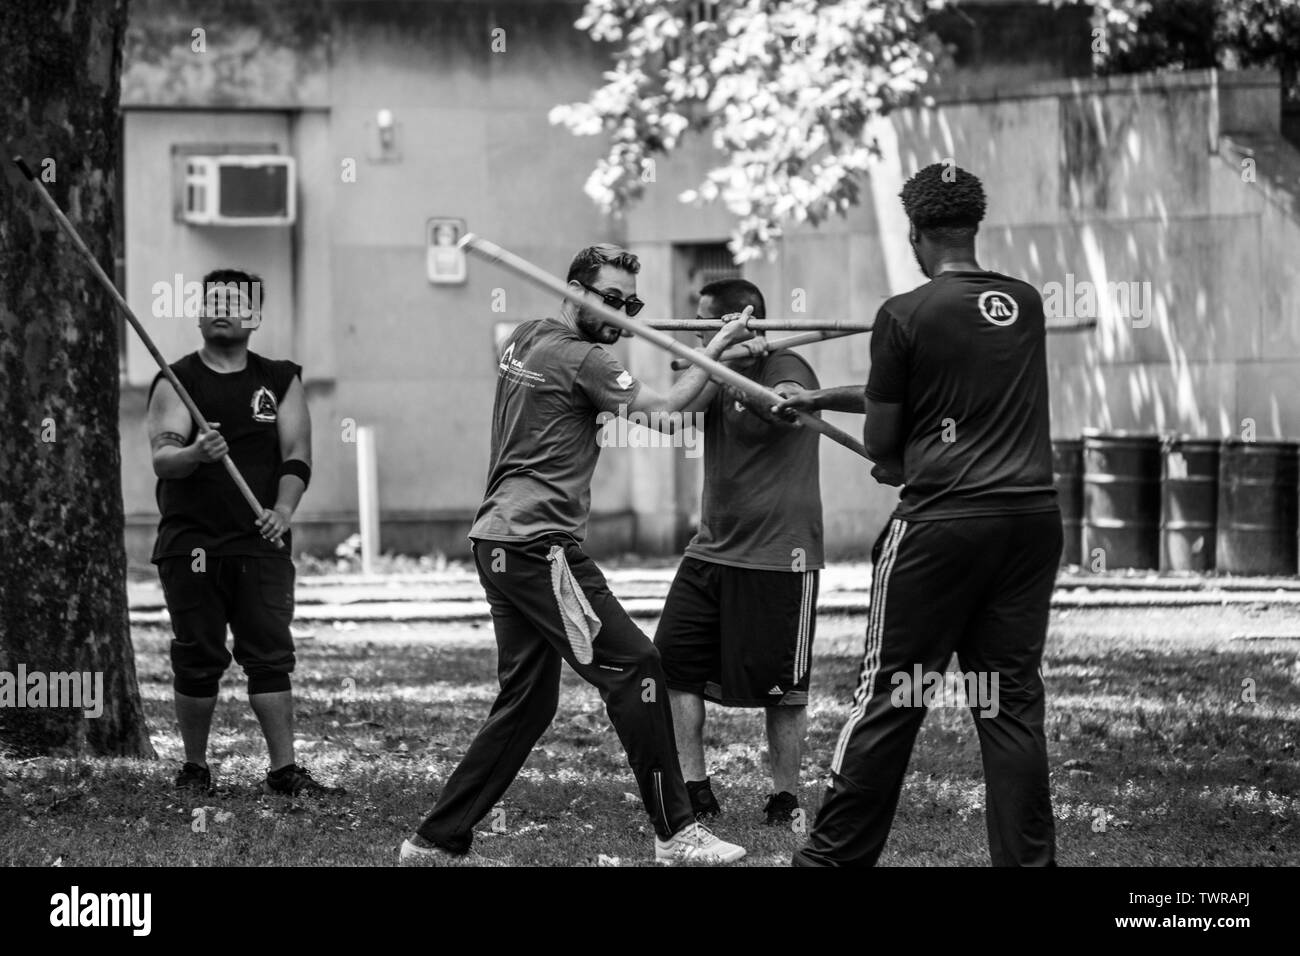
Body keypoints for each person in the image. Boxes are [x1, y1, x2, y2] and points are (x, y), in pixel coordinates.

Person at [401, 243, 752, 865]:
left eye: (631, 304)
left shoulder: (529, 336)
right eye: (609, 300)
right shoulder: (584, 358)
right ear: (574, 290)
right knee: (638, 666)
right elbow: (670, 416)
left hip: (497, 541)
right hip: (537, 544)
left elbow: (657, 403)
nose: (621, 313)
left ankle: (435, 841)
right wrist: (719, 350)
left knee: (528, 703)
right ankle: (676, 831)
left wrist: (712, 359)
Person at [776, 163, 1061, 866]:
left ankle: (831, 859)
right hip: (1029, 522)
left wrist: (897, 459)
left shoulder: (902, 314)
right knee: (1009, 705)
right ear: (973, 225)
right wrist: (819, 402)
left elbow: (883, 438)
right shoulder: (1023, 304)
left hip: (941, 529)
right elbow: (943, 400)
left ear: (913, 232)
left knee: (892, 697)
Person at [147, 269, 340, 797]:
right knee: (197, 652)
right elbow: (164, 459)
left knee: (270, 654)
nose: (222, 308)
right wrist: (194, 453)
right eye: (212, 301)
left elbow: (297, 453)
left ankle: (283, 770)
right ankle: (194, 769)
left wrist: (282, 509)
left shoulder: (279, 378)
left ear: (254, 316)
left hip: (261, 541)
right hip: (192, 543)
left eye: (234, 301)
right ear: (199, 314)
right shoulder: (176, 380)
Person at [654, 278, 822, 826]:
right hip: (711, 550)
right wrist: (714, 355)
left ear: (740, 318)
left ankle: (784, 797)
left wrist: (733, 359)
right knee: (672, 665)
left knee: (782, 690)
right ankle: (695, 789)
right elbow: (670, 415)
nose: (698, 329)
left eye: (706, 320)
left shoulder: (787, 364)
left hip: (779, 555)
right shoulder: (711, 366)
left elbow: (784, 409)